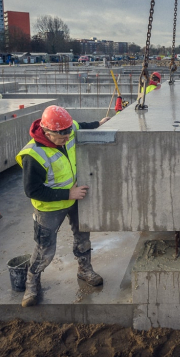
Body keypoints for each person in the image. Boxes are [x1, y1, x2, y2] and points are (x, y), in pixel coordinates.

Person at [16, 105, 110, 307]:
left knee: (82, 236)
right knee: (45, 249)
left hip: (74, 198)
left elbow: (79, 126)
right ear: (47, 132)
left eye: (68, 134)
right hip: (49, 207)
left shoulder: (67, 130)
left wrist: (99, 123)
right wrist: (68, 194)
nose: (67, 139)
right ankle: (31, 284)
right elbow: (32, 190)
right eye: (62, 137)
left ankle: (85, 270)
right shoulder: (33, 154)